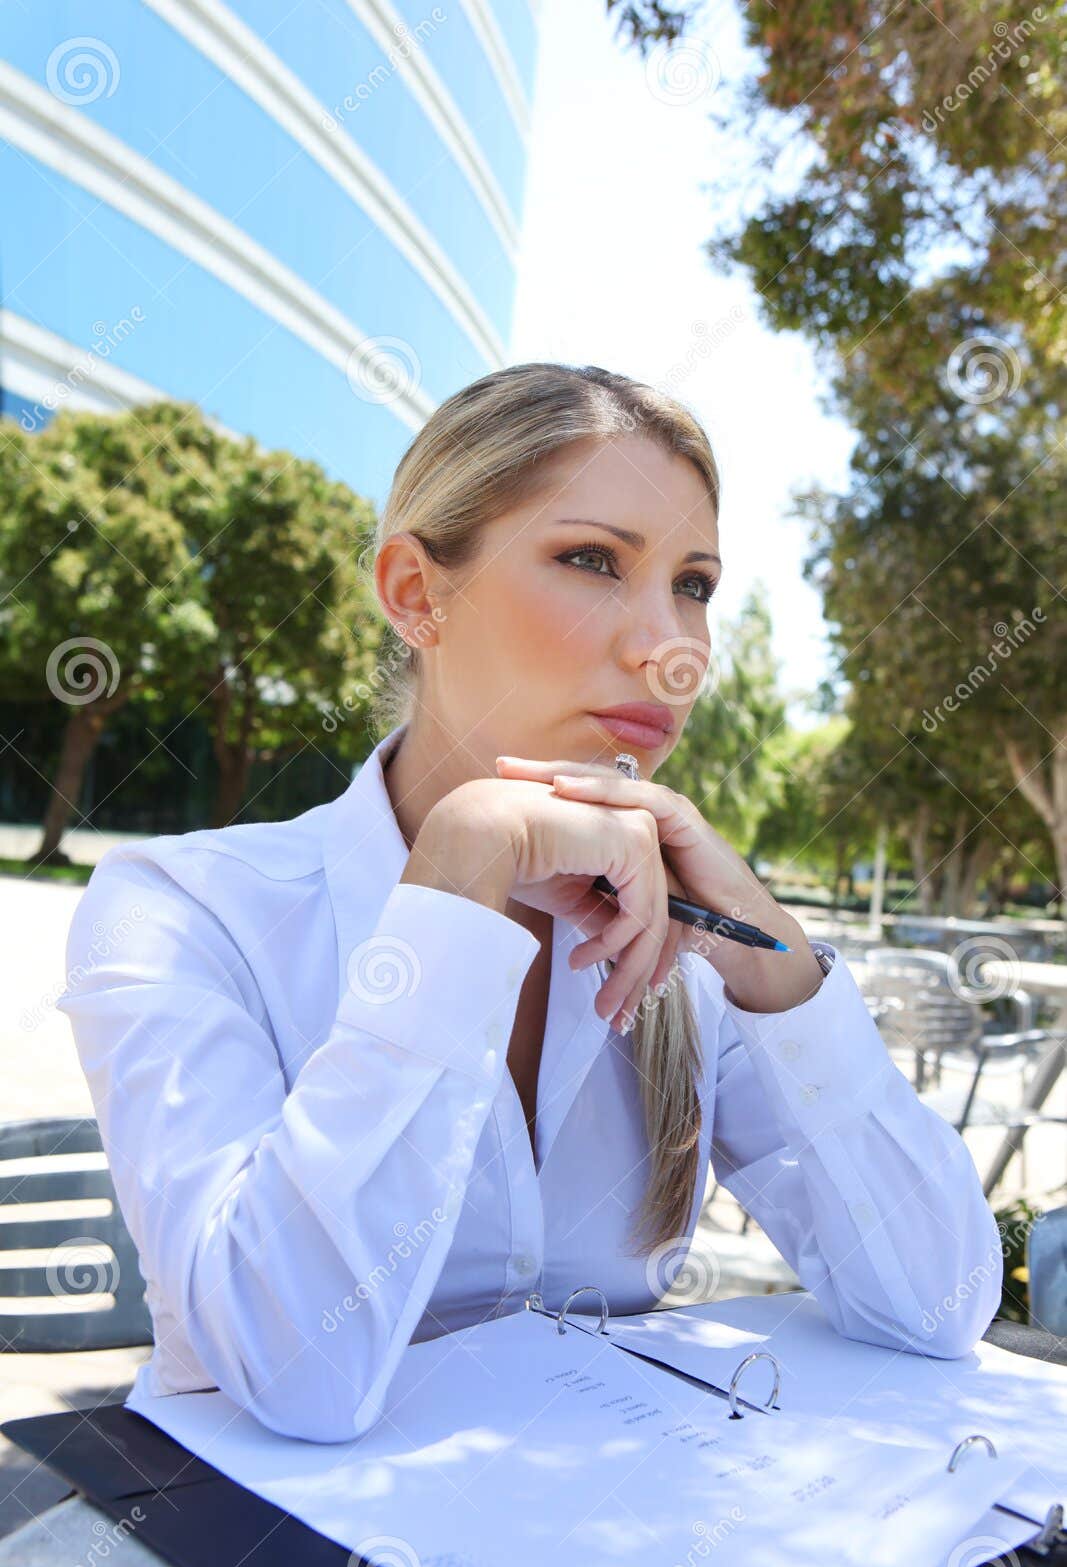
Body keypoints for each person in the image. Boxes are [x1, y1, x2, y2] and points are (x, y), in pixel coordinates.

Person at [57, 363, 1003, 1444]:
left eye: (692, 583)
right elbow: (294, 1375)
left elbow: (935, 1305)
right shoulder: (183, 912)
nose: (672, 648)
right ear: (417, 594)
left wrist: (777, 961)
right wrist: (459, 872)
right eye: (591, 560)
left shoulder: (692, 947)